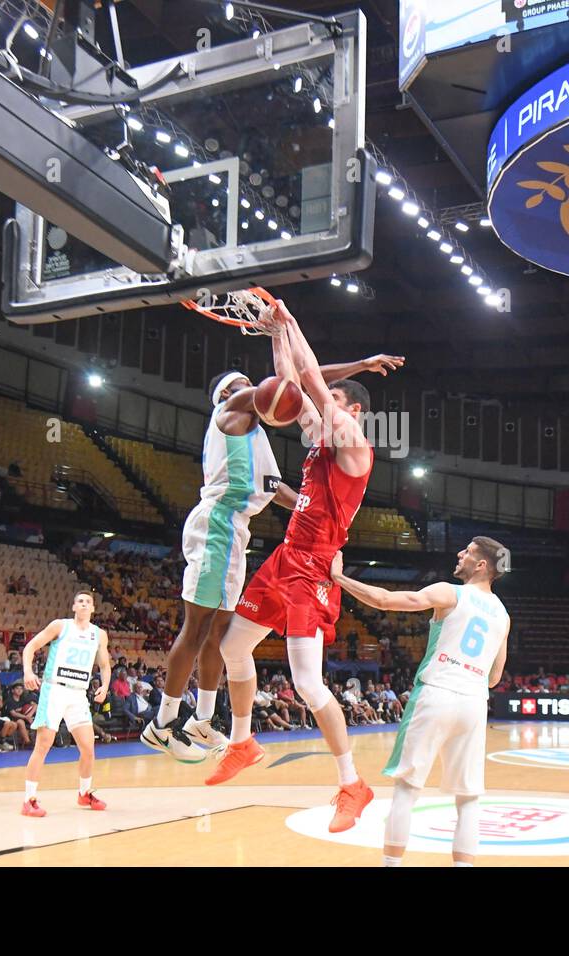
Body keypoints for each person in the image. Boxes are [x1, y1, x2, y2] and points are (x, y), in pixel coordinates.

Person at [210, 302, 380, 833]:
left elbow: (306, 378)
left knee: (308, 685)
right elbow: (288, 383)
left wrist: (291, 322)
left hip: (312, 572)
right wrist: (277, 333)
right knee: (232, 647)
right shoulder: (321, 442)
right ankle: (242, 742)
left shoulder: (353, 446)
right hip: (285, 560)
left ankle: (353, 785)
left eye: (332, 402)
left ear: (349, 409)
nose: (317, 406)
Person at [331, 538, 510, 867]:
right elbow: (496, 676)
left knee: (407, 789)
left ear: (482, 564)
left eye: (468, 552)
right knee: (468, 798)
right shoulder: (503, 614)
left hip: (436, 692)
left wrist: (340, 579)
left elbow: (385, 600)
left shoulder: (451, 593)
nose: (459, 554)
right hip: (473, 702)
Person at [20, 591, 111, 816]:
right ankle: (28, 799)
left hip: (79, 693)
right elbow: (30, 647)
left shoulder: (99, 634)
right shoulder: (60, 626)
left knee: (88, 748)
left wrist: (105, 686)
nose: (83, 604)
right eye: (80, 601)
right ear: (73, 607)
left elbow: (105, 665)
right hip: (55, 689)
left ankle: (84, 793)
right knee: (43, 744)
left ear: (93, 609)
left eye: (88, 602)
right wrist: (28, 671)